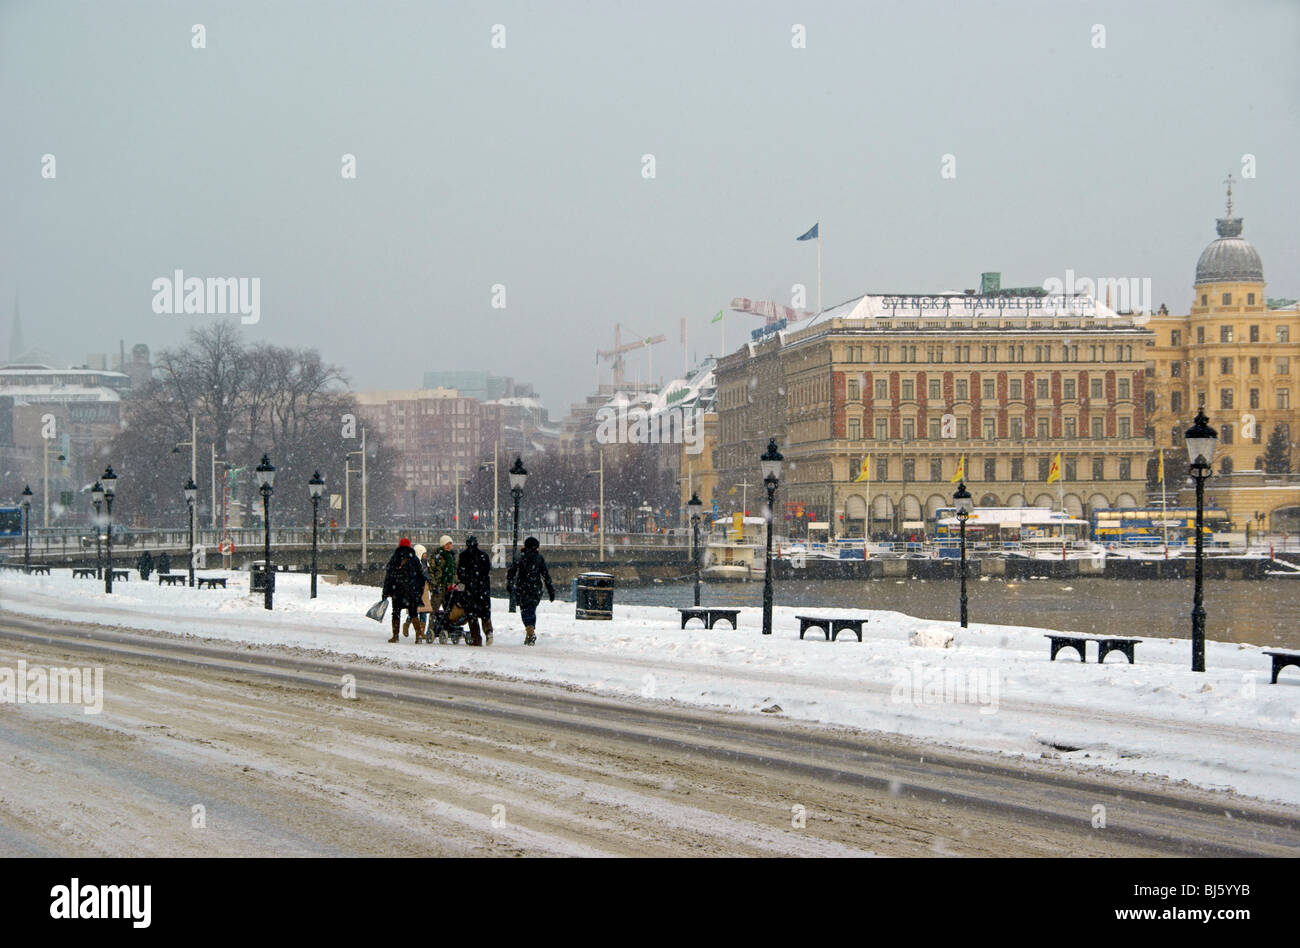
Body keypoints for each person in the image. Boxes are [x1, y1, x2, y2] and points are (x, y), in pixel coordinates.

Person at [506, 536, 555, 646]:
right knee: (531, 609)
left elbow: (512, 571)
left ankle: (530, 630)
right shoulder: (539, 558)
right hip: (536, 588)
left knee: (525, 610)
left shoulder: (520, 557)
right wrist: (550, 590)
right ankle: (530, 631)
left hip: (523, 587)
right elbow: (545, 575)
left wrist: (509, 583)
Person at [381, 538, 428, 644]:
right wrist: (419, 590)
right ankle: (418, 636)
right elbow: (421, 576)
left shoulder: (395, 557)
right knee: (413, 613)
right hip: (411, 591)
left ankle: (395, 636)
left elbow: (389, 576)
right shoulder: (414, 558)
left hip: (398, 590)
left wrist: (386, 592)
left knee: (396, 612)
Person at [457, 535, 493, 646]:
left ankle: (476, 638)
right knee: (485, 613)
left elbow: (460, 573)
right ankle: (488, 631)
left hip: (470, 590)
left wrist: (465, 580)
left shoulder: (463, 556)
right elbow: (487, 570)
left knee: (472, 615)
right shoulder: (484, 555)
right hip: (483, 589)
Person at [428, 535, 457, 645]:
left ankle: (446, 628)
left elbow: (454, 570)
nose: (449, 546)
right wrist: (434, 583)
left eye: (450, 544)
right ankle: (431, 629)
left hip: (449, 587)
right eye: (447, 544)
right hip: (439, 586)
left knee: (448, 609)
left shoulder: (452, 556)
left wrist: (455, 581)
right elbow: (431, 570)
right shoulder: (436, 556)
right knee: (434, 609)